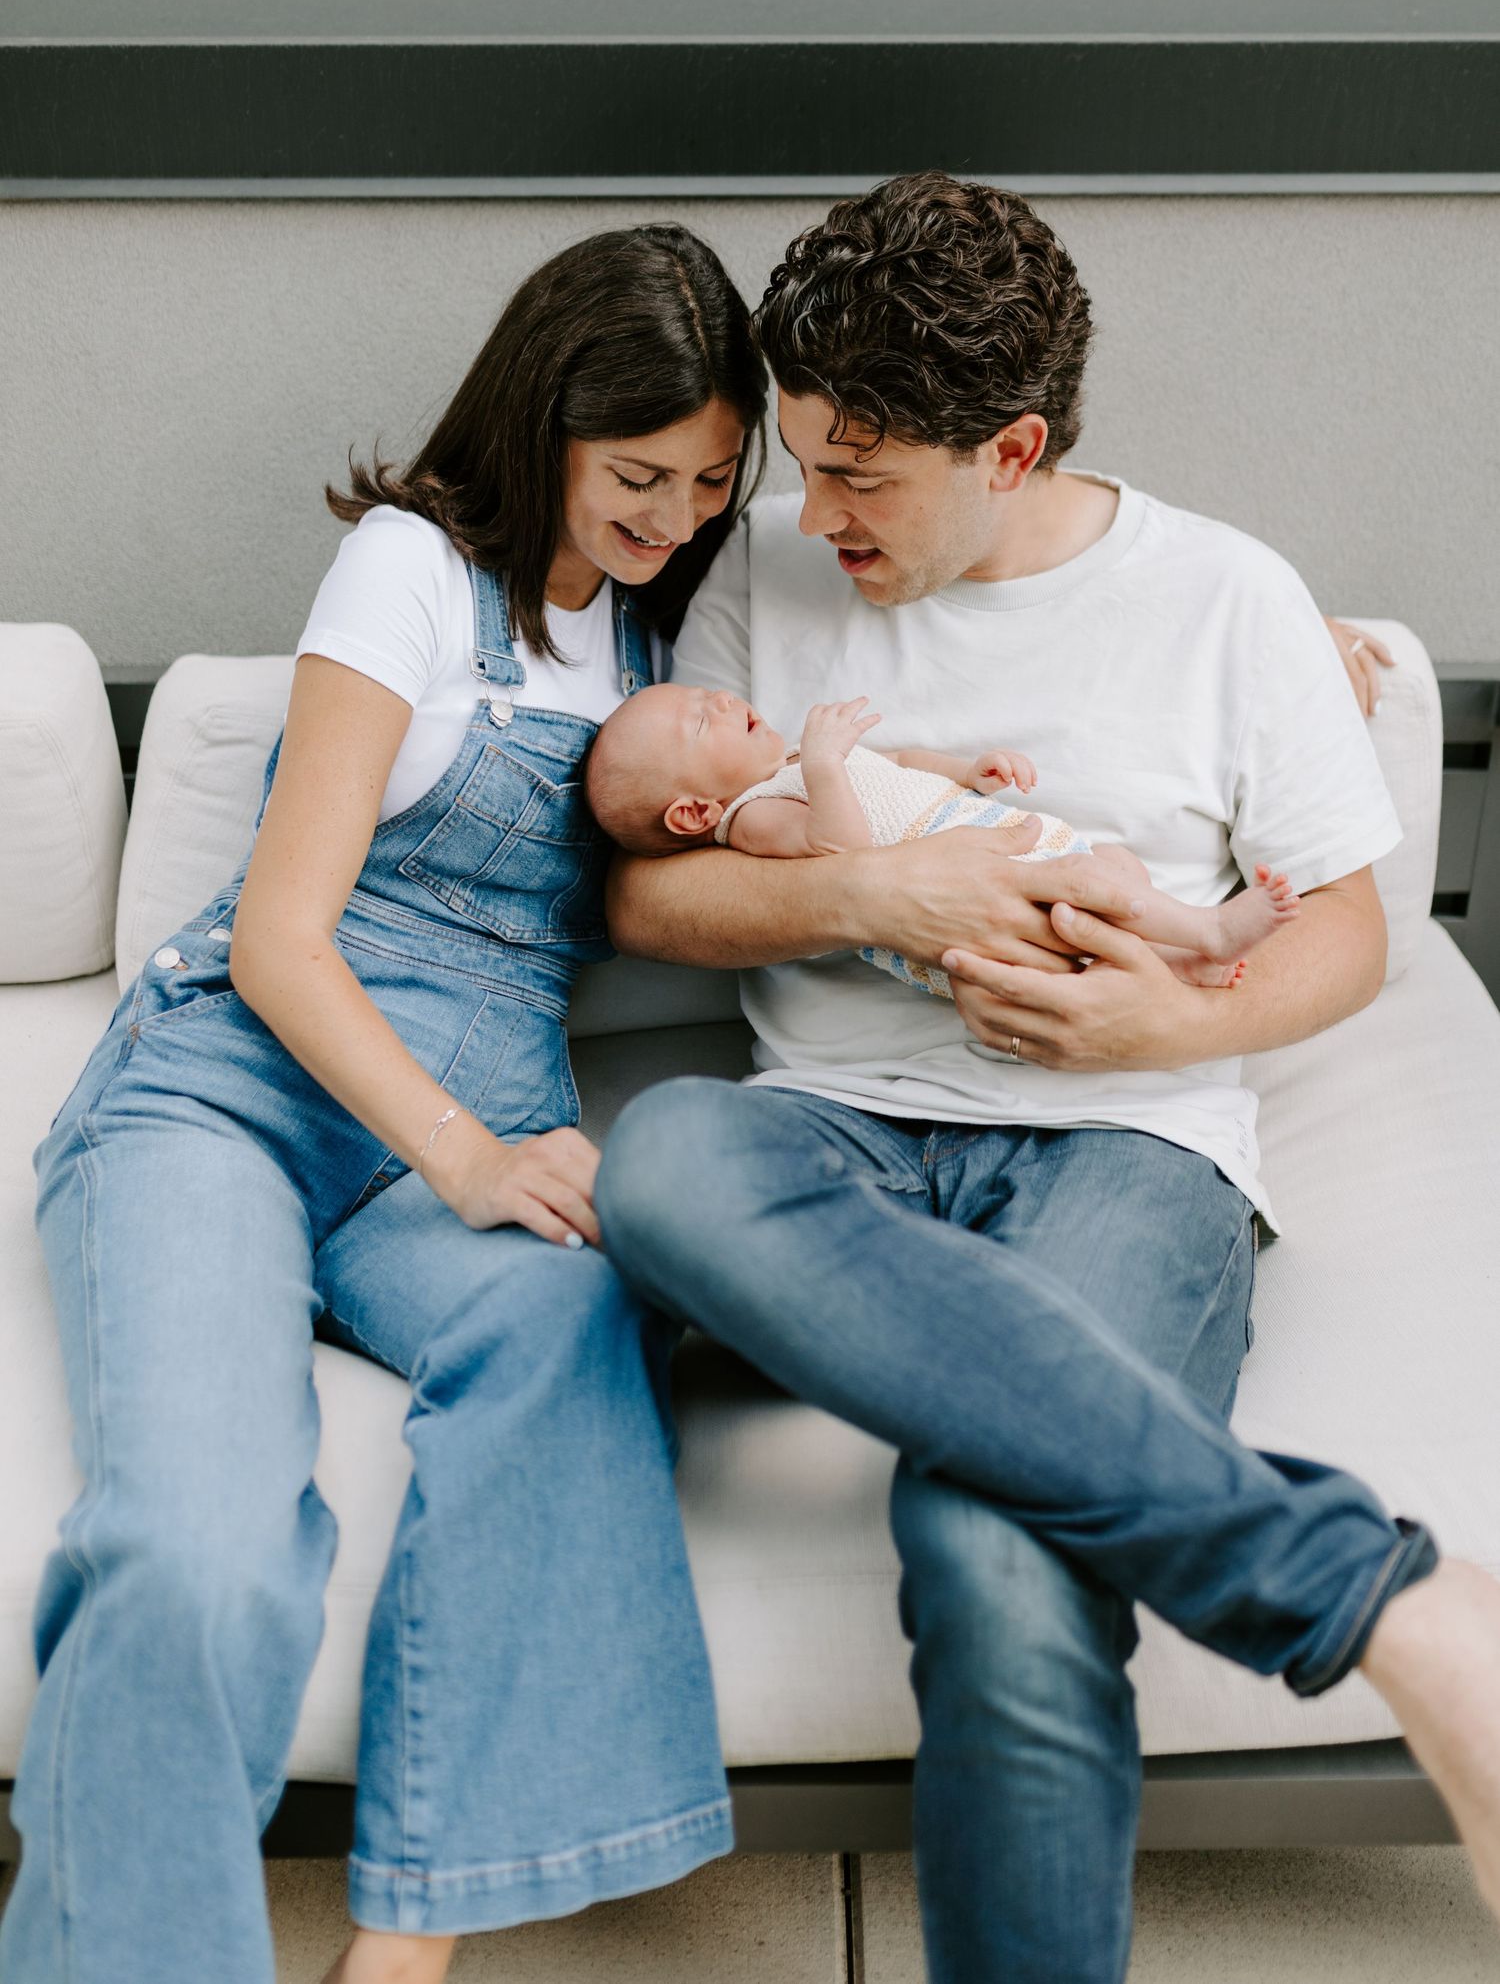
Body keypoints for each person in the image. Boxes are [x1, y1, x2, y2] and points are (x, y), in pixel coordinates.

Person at [592, 172, 1500, 1983]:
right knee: (666, 1159)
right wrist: (876, 888)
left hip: (1122, 1144)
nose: (812, 508)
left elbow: (1346, 928)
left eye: (864, 474)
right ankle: (1367, 1591)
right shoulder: (768, 569)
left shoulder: (1229, 596)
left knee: (992, 1538)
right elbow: (648, 887)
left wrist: (1175, 1028)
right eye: (804, 456)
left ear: (1008, 451)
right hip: (833, 1134)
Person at [0, 226, 767, 1984]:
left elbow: (924, 630)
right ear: (547, 418)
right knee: (199, 1548)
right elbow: (279, 938)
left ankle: (401, 1956)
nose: (674, 516)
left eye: (714, 483)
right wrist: (468, 1156)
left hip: (468, 1113)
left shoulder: (678, 638)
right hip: (235, 1091)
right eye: (639, 473)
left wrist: (1273, 633)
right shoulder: (413, 572)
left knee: (580, 1332)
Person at [585, 681, 1300, 991]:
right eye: (697, 721)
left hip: (986, 834)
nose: (718, 699)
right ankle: (1208, 934)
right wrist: (827, 767)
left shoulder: (795, 761)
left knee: (1112, 869)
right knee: (1092, 897)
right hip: (960, 906)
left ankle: (1180, 963)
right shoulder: (751, 818)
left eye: (700, 693)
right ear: (693, 814)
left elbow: (900, 764)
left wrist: (971, 770)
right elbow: (843, 858)